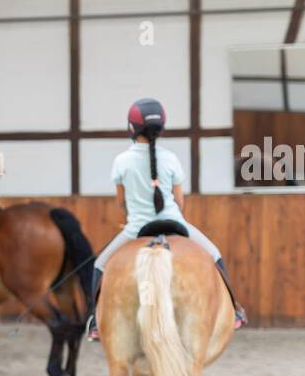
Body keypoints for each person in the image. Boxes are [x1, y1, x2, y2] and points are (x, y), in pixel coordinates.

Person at [85, 98, 246, 340]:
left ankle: (96, 321)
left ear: (132, 127)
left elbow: (122, 202)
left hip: (136, 228)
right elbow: (179, 202)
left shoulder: (121, 161)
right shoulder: (171, 158)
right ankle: (234, 310)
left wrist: (133, 215)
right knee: (214, 254)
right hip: (175, 224)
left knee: (99, 265)